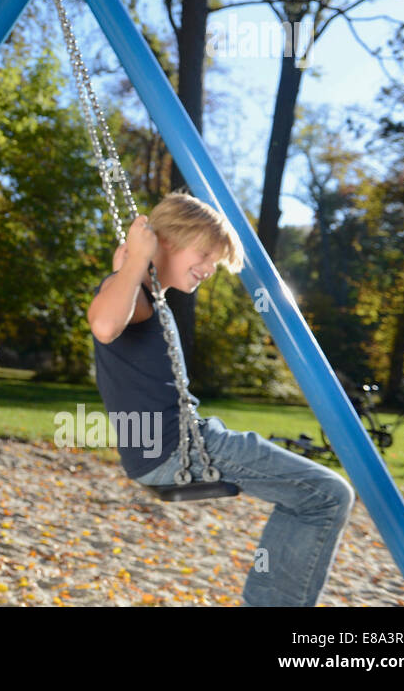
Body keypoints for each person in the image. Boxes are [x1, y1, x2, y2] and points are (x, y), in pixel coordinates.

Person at [88, 191, 355, 606]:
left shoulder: (144, 294)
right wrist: (137, 260)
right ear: (170, 240)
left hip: (178, 444)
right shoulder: (133, 293)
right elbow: (105, 325)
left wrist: (133, 266)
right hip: (178, 450)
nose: (211, 269)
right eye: (206, 254)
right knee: (328, 496)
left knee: (312, 496)